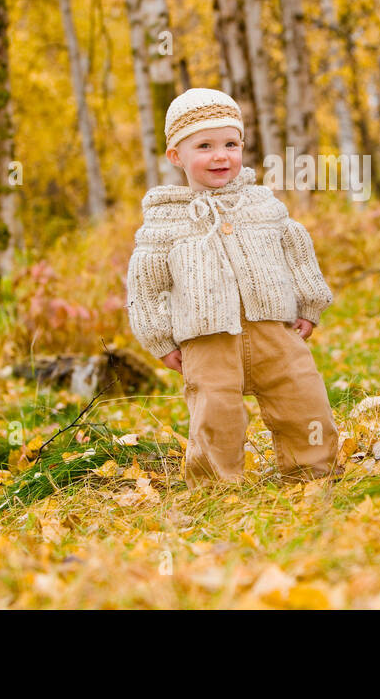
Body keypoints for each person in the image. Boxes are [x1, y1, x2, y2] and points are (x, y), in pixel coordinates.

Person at [125, 88, 340, 484]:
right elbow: (146, 282)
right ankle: (217, 486)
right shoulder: (165, 220)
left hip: (275, 330)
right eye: (204, 146)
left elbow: (296, 250)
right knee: (215, 417)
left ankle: (314, 473)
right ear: (176, 156)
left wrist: (310, 304)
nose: (221, 155)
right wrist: (159, 339)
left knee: (303, 400)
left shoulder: (261, 204)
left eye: (230, 143)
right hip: (206, 342)